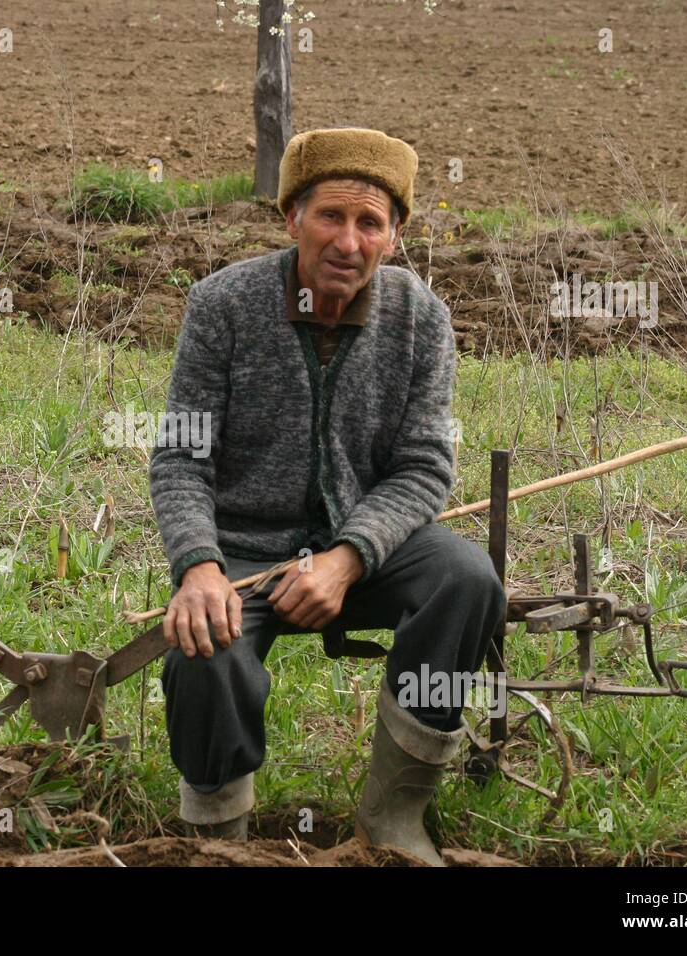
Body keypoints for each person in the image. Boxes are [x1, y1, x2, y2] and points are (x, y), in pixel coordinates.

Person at [148, 127, 507, 866]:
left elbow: (424, 466)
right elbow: (182, 453)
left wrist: (346, 558)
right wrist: (198, 566)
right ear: (291, 219)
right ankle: (220, 832)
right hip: (244, 549)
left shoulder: (422, 320)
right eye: (329, 217)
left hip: (370, 545)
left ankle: (396, 817)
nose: (348, 241)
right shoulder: (222, 304)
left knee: (466, 579)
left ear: (396, 235)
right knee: (202, 650)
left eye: (370, 222)